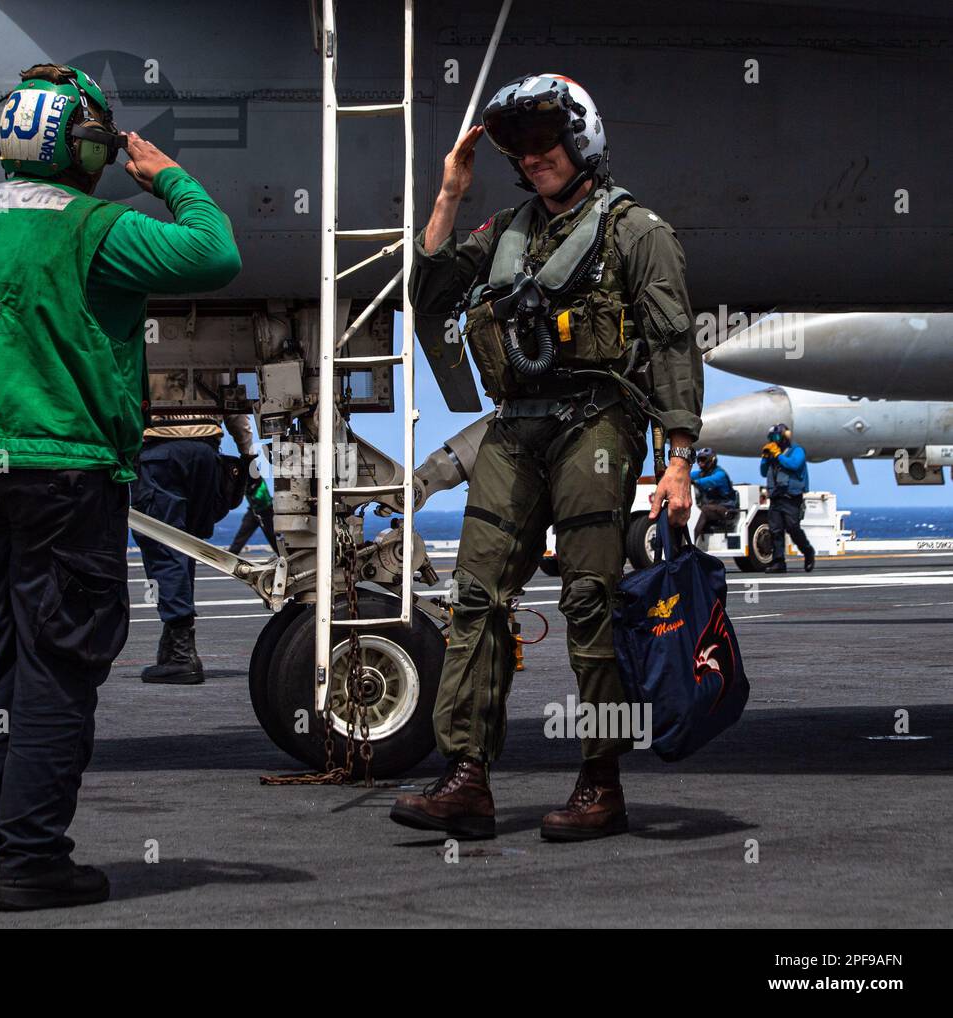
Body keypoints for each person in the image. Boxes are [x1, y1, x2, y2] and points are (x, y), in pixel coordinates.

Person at [0, 63, 240, 911]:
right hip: (65, 477)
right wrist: (168, 178)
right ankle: (31, 861)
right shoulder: (97, 227)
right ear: (82, 147)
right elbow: (216, 253)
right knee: (57, 665)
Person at [389, 73, 702, 842]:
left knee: (590, 602)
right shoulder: (504, 230)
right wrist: (449, 196)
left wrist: (678, 460)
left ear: (582, 139)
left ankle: (601, 781)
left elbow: (670, 347)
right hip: (514, 428)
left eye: (545, 141)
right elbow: (425, 295)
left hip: (596, 425)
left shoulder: (638, 231)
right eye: (521, 148)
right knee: (475, 599)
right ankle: (467, 778)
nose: (533, 158)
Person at [132, 387, 256, 685]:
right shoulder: (217, 343)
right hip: (206, 454)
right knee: (185, 546)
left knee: (163, 547)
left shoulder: (137, 341)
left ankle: (181, 653)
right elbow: (235, 404)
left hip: (160, 453)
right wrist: (248, 454)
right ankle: (173, 642)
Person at [759, 423, 815, 572]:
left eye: (776, 436)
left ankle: (808, 551)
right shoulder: (773, 453)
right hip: (776, 496)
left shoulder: (797, 451)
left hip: (791, 496)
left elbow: (794, 465)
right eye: (771, 437)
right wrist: (765, 458)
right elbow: (764, 472)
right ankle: (778, 562)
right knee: (775, 530)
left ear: (785, 436)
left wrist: (778, 455)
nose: (774, 440)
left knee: (792, 528)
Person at [690, 447, 738, 538]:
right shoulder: (701, 473)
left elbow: (710, 481)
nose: (700, 462)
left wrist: (694, 482)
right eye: (698, 460)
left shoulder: (720, 475)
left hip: (725, 509)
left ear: (712, 460)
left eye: (703, 459)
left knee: (703, 510)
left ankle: (692, 542)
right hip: (712, 507)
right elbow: (686, 475)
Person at [227, 471, 278, 555]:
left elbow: (260, 497)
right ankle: (231, 556)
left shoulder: (259, 482)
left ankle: (285, 558)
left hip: (266, 512)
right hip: (253, 511)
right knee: (240, 537)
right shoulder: (246, 482)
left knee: (273, 538)